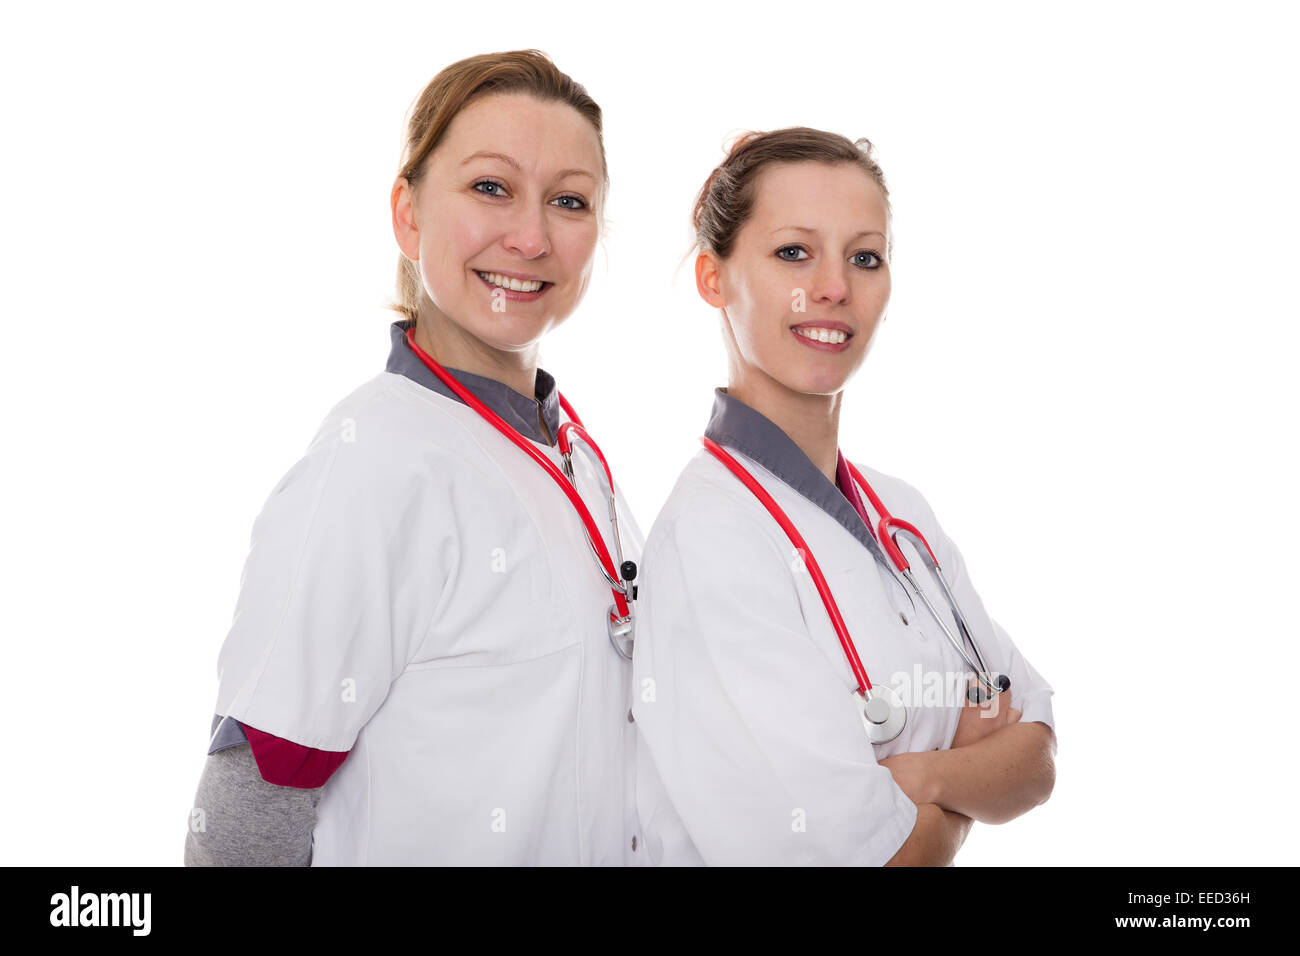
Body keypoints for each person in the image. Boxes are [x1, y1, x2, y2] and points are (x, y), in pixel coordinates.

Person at [184, 49, 645, 866]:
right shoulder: (370, 466)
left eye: (569, 202)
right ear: (408, 214)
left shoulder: (570, 450)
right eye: (490, 188)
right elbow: (248, 812)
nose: (531, 237)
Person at [631, 127, 1057, 866]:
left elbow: (1039, 756)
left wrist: (915, 779)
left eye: (865, 256)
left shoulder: (904, 517)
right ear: (713, 278)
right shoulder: (711, 541)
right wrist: (963, 791)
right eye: (794, 252)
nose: (833, 287)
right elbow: (864, 860)